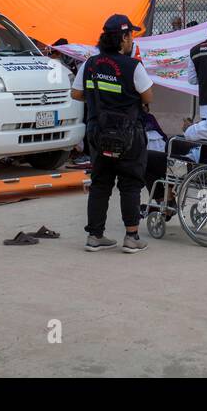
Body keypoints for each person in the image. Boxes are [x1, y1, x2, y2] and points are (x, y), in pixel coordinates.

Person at [71, 14, 154, 253]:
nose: (132, 42)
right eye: (131, 36)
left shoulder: (90, 64)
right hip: (129, 135)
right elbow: (148, 96)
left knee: (100, 184)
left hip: (98, 132)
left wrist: (99, 97)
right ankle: (131, 237)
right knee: (130, 183)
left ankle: (95, 236)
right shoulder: (133, 66)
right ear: (123, 38)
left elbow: (75, 94)